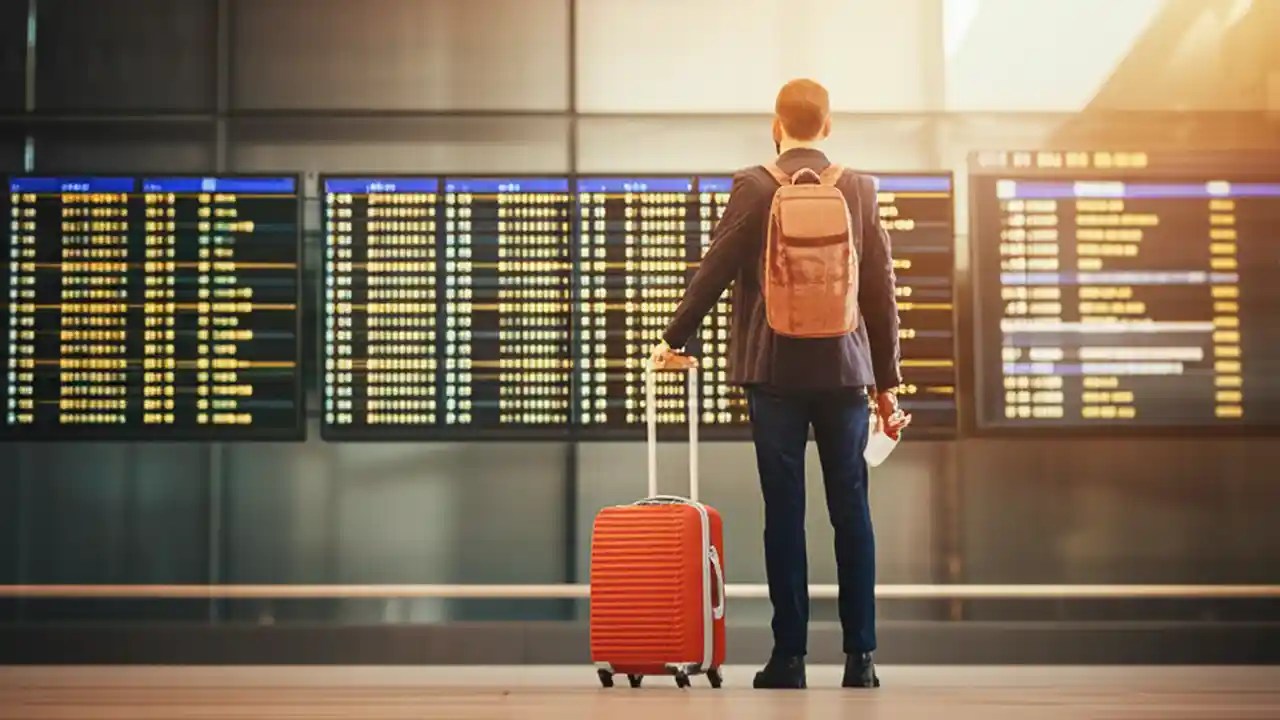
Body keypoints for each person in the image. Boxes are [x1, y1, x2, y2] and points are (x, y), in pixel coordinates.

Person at [650, 78, 910, 689]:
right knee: (852, 509)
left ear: (777, 123)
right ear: (828, 123)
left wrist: (674, 338)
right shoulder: (860, 187)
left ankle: (789, 658)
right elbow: (880, 291)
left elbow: (715, 266)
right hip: (846, 374)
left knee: (784, 512)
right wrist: (887, 381)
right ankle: (861, 659)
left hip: (773, 373)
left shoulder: (755, 184)